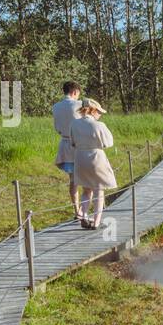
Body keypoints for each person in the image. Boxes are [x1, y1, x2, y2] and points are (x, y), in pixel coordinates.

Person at [69, 99, 117, 229]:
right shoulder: (99, 125)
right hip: (95, 158)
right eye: (99, 112)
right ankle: (96, 222)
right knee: (98, 190)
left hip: (80, 158)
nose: (100, 114)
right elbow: (108, 143)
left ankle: (83, 216)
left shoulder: (74, 124)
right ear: (92, 110)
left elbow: (72, 142)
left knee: (86, 190)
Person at [52, 81, 84, 220]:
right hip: (79, 145)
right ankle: (87, 209)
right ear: (74, 92)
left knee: (73, 180)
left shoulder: (56, 106)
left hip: (65, 144)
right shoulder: (79, 104)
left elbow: (57, 127)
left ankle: (77, 210)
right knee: (88, 179)